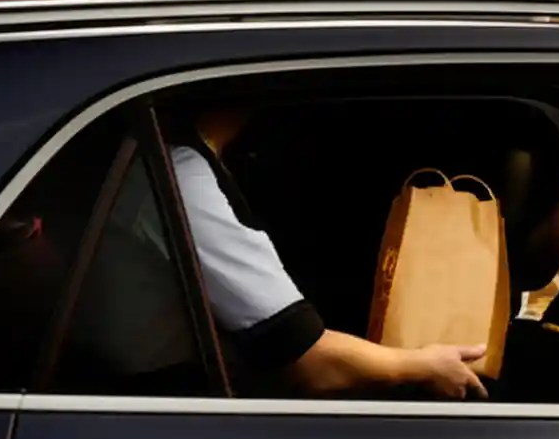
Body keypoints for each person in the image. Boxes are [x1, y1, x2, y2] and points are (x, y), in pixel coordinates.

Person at [169, 106, 488, 400]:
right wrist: (425, 365)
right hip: (181, 400)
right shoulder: (182, 172)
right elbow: (312, 363)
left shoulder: (197, 162)